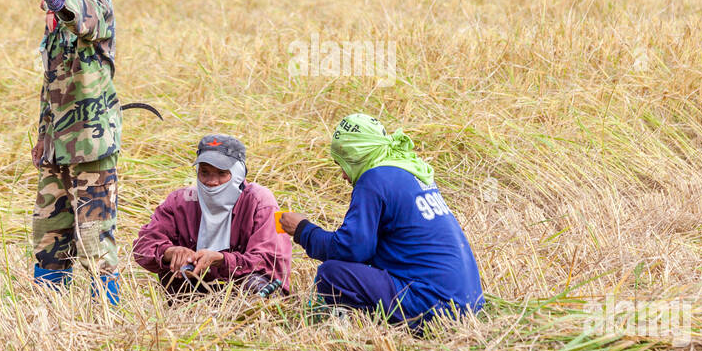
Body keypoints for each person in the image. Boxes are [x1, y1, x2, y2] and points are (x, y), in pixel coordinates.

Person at [278, 114, 483, 331]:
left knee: (331, 274)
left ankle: (349, 328)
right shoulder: (410, 170)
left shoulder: (374, 179)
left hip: (434, 306)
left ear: (358, 156)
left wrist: (303, 230)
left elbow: (351, 249)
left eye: (344, 163)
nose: (343, 176)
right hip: (468, 303)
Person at [24, 0, 122, 304]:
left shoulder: (97, 2)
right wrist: (41, 137)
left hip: (91, 146)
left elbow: (80, 18)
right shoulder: (53, 15)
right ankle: (52, 318)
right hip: (56, 148)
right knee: (50, 235)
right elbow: (53, 86)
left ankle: (108, 321)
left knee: (96, 241)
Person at [133, 134, 290, 296]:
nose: (211, 181)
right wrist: (169, 252)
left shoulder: (260, 201)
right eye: (204, 172)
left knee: (256, 285)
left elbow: (271, 260)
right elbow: (142, 246)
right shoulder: (180, 201)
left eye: (222, 173)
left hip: (241, 298)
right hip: (189, 301)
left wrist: (222, 260)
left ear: (238, 174)